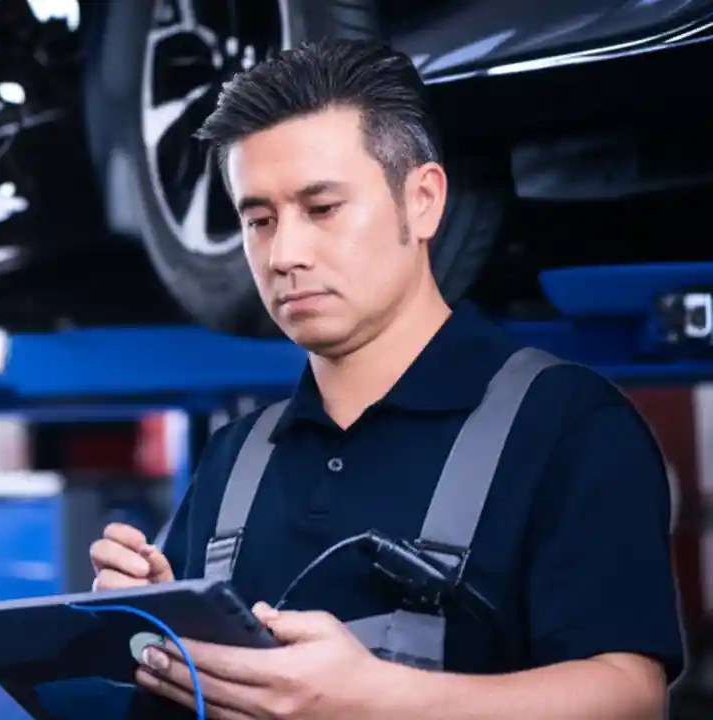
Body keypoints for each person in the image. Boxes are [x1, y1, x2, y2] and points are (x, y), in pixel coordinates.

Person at [89, 39, 685, 719]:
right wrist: (149, 635)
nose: (284, 254)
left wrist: (380, 702)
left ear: (424, 200)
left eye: (322, 209)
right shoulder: (235, 462)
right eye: (258, 220)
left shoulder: (567, 427)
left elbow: (630, 697)